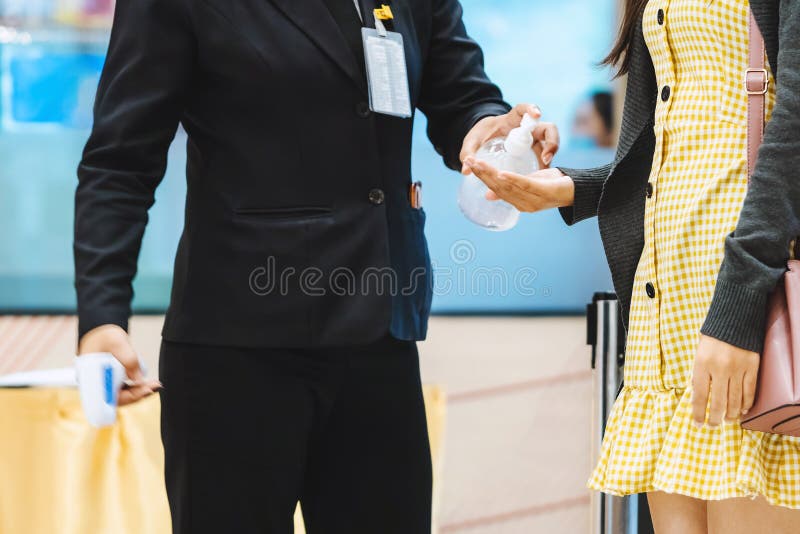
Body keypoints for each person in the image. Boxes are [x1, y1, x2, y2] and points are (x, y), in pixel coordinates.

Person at [73, 0, 558, 532]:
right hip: (236, 346)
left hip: (378, 335)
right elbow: (119, 164)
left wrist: (497, 133)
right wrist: (103, 316)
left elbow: (461, 95)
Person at [466, 1, 800, 532]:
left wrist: (742, 300)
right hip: (666, 305)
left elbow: (793, 125)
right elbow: (668, 147)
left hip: (751, 294)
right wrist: (574, 187)